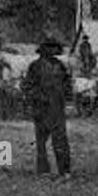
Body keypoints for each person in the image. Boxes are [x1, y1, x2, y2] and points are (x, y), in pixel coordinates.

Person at [21, 35, 72, 178]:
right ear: (43, 50)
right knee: (41, 140)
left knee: (61, 139)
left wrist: (68, 102)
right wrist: (37, 98)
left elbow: (68, 85)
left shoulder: (60, 66)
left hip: (57, 108)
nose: (52, 50)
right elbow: (27, 86)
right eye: (49, 47)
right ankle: (43, 170)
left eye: (54, 47)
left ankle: (64, 170)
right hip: (41, 108)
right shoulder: (35, 66)